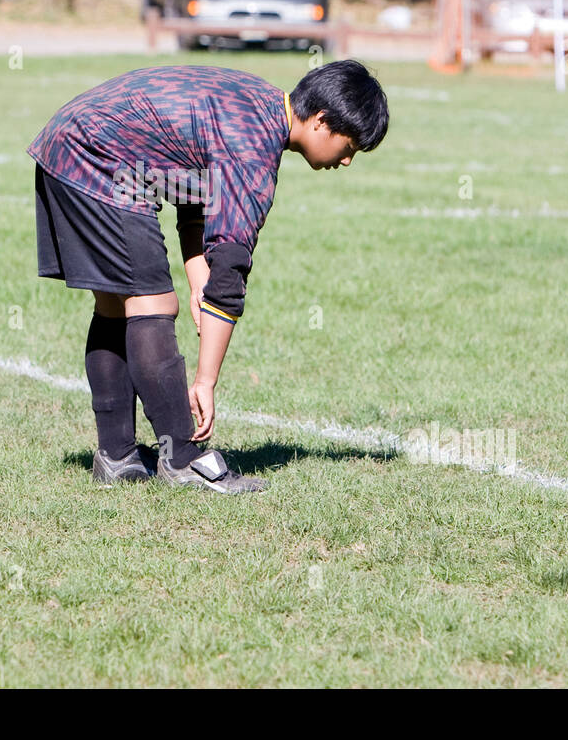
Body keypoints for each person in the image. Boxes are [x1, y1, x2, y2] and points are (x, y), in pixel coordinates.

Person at [28, 60, 388, 493]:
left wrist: (199, 283)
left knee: (114, 301)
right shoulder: (254, 147)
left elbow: (190, 197)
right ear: (322, 122)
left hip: (70, 141)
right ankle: (185, 459)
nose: (347, 161)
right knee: (154, 304)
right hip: (98, 158)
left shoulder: (257, 104)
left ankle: (117, 455)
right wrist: (205, 380)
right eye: (349, 146)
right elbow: (230, 272)